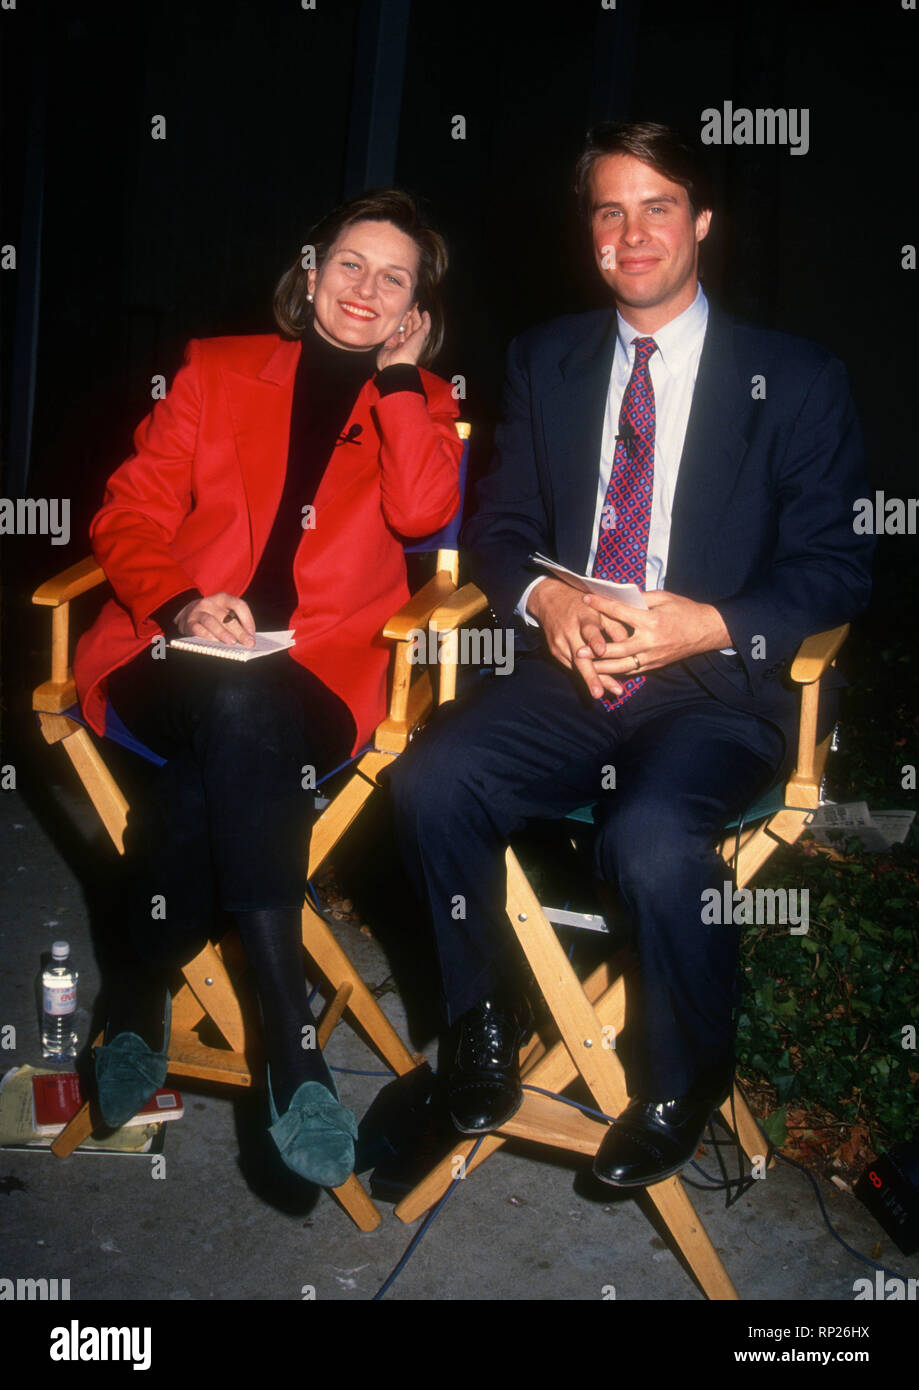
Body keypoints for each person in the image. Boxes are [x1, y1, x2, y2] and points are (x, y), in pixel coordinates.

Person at [388, 123, 873, 1188]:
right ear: (590, 234)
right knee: (428, 781)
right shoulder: (544, 359)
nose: (632, 231)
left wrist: (708, 620)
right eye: (609, 209)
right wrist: (548, 599)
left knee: (650, 838)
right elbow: (500, 532)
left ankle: (682, 1079)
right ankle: (481, 1020)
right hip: (573, 676)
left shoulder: (792, 379)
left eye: (658, 206)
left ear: (702, 223)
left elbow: (837, 569)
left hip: (717, 687)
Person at [72, 188, 462, 1188]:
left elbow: (424, 515)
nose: (365, 290)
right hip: (174, 651)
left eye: (394, 278)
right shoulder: (215, 368)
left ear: (416, 306)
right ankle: (292, 1049)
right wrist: (183, 604)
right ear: (311, 267)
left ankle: (138, 983)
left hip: (322, 671)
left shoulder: (420, 398)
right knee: (231, 711)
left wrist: (405, 379)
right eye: (349, 265)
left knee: (234, 733)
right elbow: (128, 512)